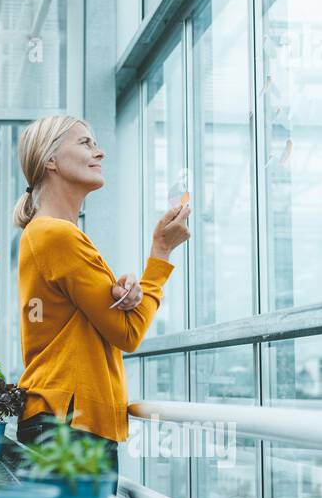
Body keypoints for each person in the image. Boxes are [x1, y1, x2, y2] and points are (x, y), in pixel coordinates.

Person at [13, 115, 191, 467]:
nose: (100, 152)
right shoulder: (57, 235)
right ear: (50, 160)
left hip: (59, 416)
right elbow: (127, 332)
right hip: (71, 422)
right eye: (85, 143)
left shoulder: (45, 234)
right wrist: (160, 253)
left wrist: (124, 291)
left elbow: (80, 318)